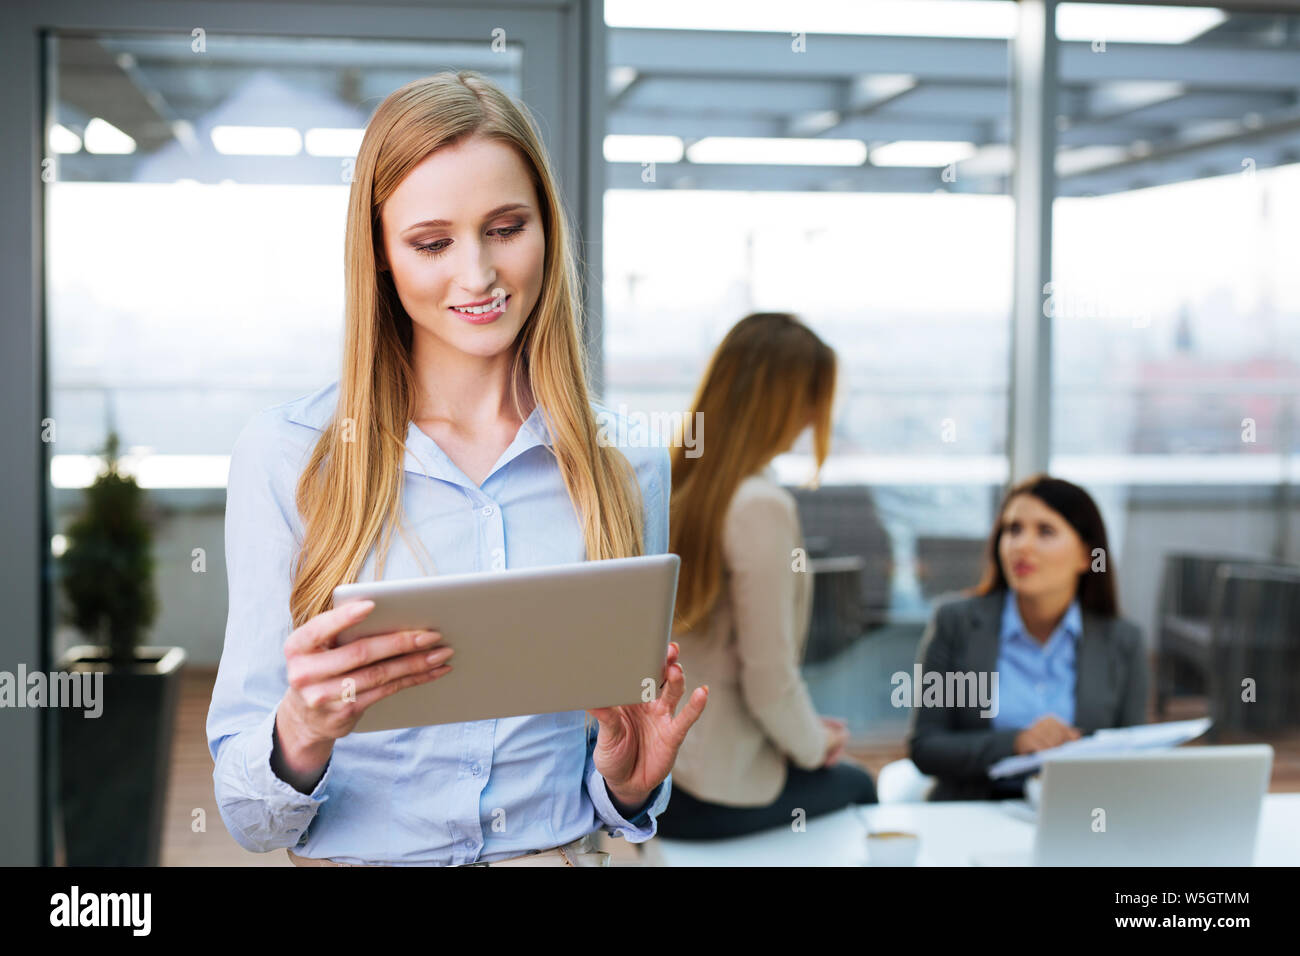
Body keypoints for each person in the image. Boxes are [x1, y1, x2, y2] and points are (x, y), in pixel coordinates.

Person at [205, 70, 707, 866]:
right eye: (432, 242)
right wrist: (304, 729)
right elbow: (249, 819)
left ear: (548, 226)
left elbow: (615, 770)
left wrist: (631, 786)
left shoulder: (625, 461)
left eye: (506, 228)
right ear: (378, 255)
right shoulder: (289, 456)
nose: (477, 276)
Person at [655, 313, 877, 840]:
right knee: (860, 787)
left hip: (660, 780)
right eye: (811, 401)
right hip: (715, 789)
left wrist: (803, 733)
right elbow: (768, 681)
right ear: (787, 403)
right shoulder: (760, 506)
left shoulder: (672, 489)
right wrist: (815, 744)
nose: (811, 419)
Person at [908, 474, 1149, 801]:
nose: (1021, 545)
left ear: (1086, 556)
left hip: (1076, 816)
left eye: (1045, 531)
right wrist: (1016, 743)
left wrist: (1082, 750)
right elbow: (927, 747)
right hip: (971, 812)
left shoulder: (1123, 641)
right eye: (1013, 529)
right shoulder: (957, 624)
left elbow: (1132, 756)